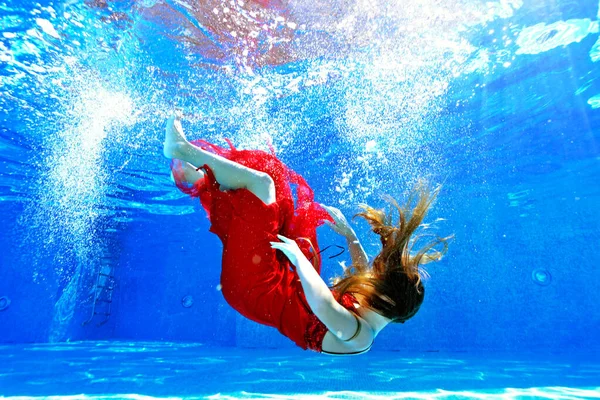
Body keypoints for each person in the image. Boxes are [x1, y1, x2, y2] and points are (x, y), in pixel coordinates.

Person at [163, 112, 450, 355]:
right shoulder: (369, 310)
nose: (369, 273)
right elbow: (362, 266)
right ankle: (195, 178)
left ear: (385, 298)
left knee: (262, 186)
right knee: (272, 178)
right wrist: (350, 236)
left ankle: (181, 149)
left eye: (377, 278)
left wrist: (300, 258)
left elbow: (323, 303)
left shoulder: (360, 337)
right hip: (279, 280)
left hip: (256, 290)